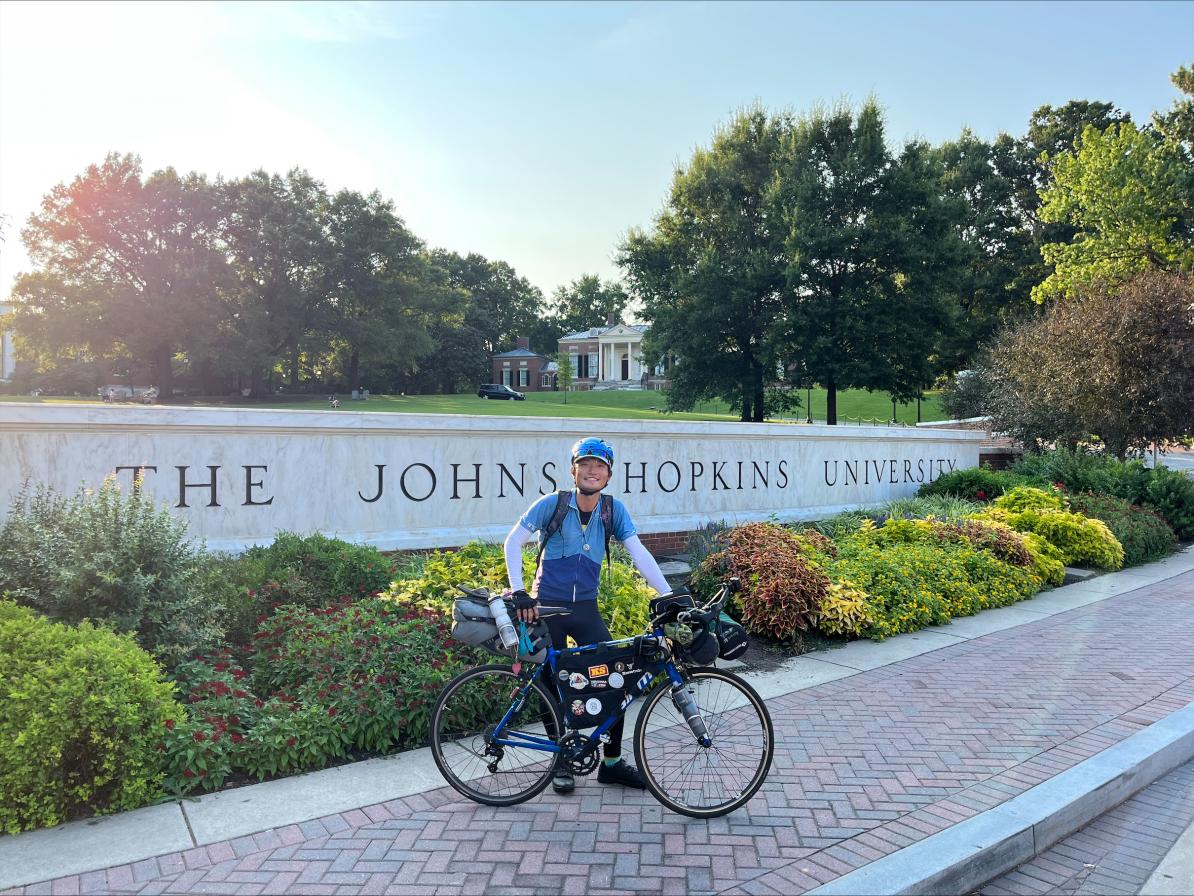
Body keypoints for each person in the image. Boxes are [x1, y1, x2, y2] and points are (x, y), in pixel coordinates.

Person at [503, 436, 672, 794]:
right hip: (547, 606)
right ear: (573, 471)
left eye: (600, 466)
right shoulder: (553, 504)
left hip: (586, 608)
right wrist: (519, 591)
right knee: (551, 686)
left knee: (617, 679)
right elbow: (513, 541)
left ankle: (611, 764)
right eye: (585, 465)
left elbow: (639, 553)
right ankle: (561, 762)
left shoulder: (613, 510)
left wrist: (669, 595)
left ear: (608, 475)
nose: (592, 471)